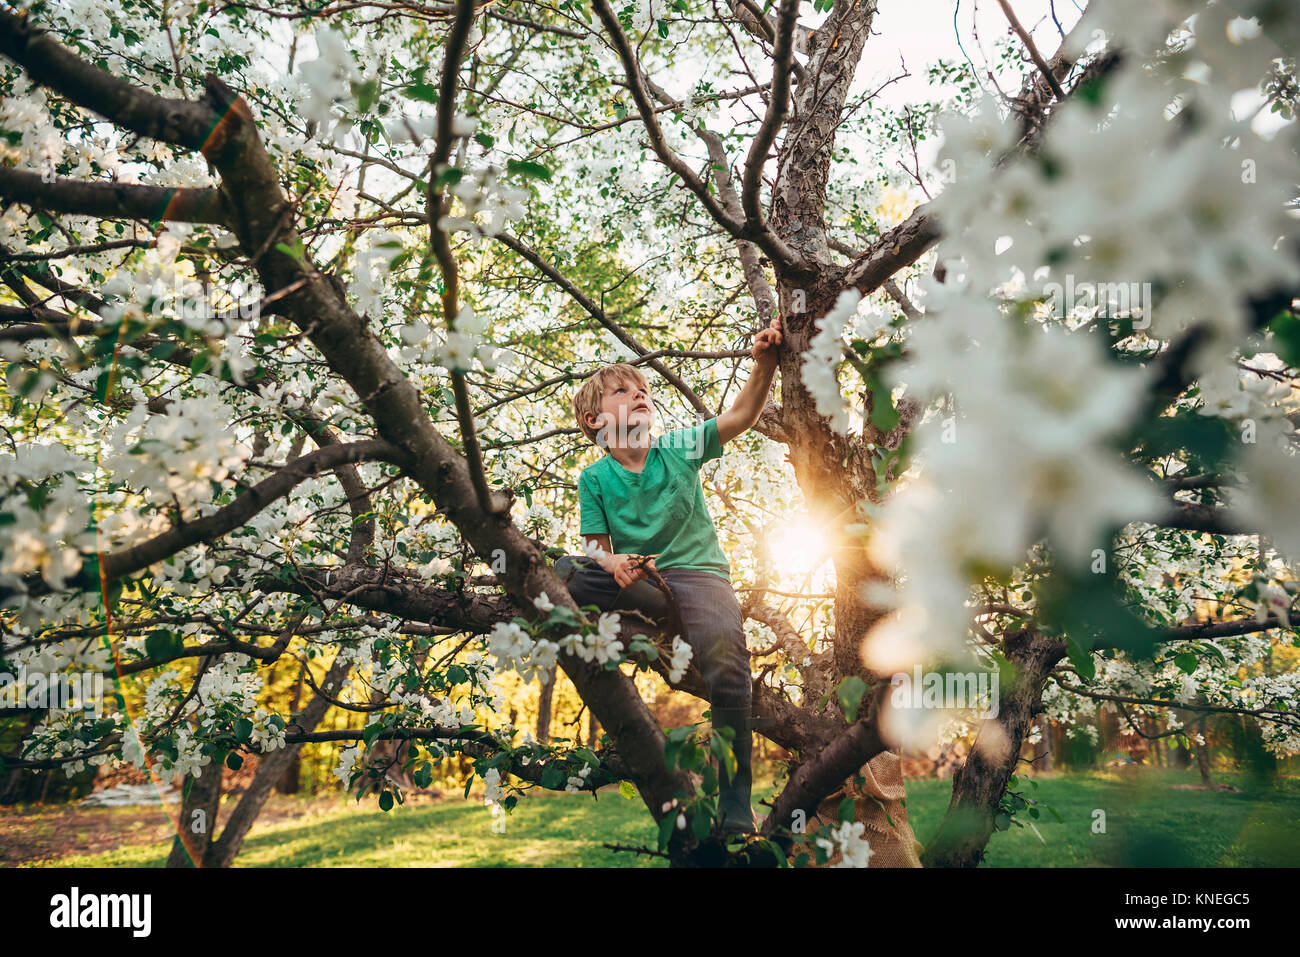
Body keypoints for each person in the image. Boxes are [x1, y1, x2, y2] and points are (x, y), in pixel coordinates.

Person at [553, 316, 782, 835]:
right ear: (593, 420)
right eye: (621, 391)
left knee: (727, 669)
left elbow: (742, 414)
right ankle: (629, 606)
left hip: (700, 578)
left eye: (643, 390)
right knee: (570, 571)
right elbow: (598, 548)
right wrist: (617, 565)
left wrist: (764, 365)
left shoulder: (678, 449)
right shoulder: (593, 478)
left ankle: (735, 807)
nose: (638, 395)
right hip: (644, 586)